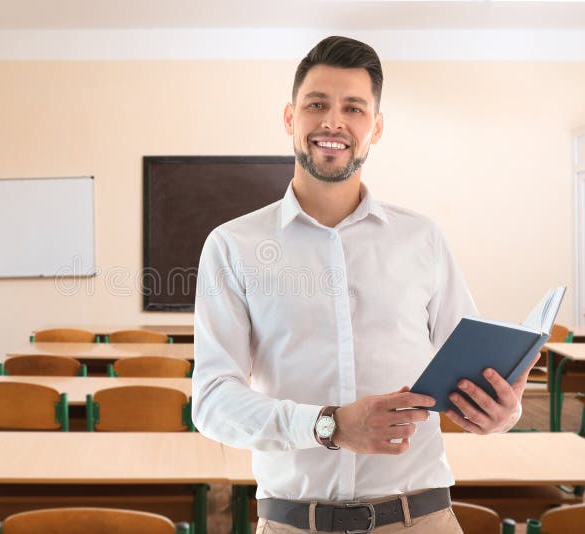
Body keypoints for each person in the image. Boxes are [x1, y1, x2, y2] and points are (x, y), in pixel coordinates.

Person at [192, 35, 536, 533]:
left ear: (375, 128)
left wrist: (502, 412)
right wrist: (328, 425)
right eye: (317, 104)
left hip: (421, 518)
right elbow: (212, 402)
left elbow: (469, 370)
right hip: (293, 522)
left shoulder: (423, 239)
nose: (334, 121)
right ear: (291, 119)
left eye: (354, 108)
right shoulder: (232, 246)